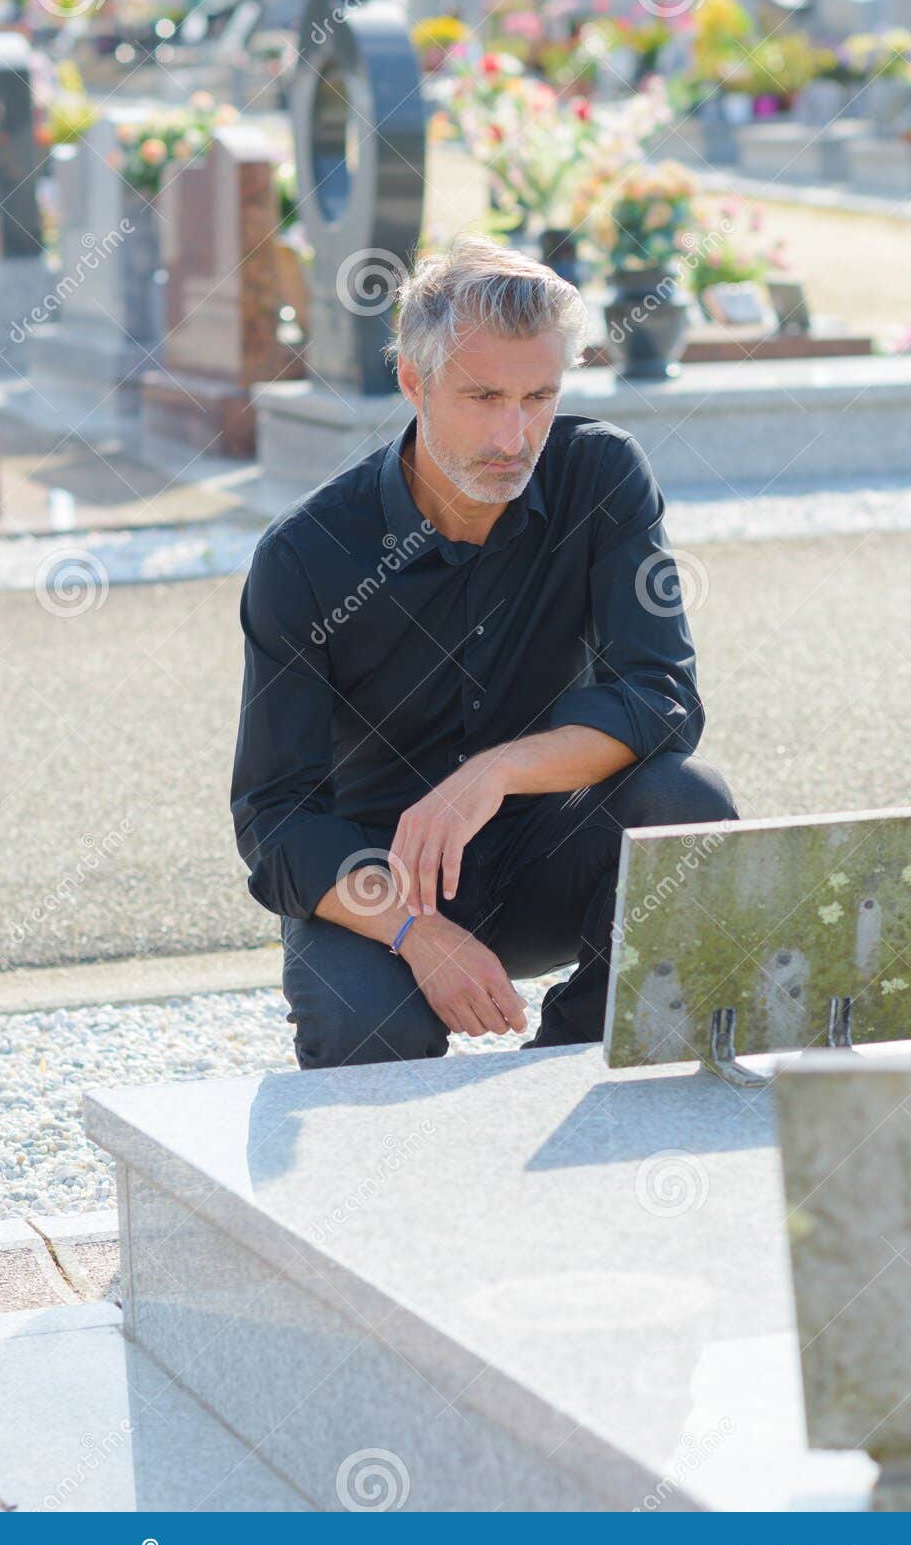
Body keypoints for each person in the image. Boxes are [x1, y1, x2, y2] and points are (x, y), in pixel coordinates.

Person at [230, 234, 739, 1068]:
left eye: (539, 395)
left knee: (689, 800)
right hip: (378, 884)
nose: (515, 435)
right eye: (482, 396)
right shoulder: (305, 557)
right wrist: (416, 929)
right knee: (370, 1034)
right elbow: (274, 818)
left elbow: (661, 697)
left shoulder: (600, 475)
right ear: (412, 382)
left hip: (546, 856)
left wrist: (491, 774)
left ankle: (572, 1070)